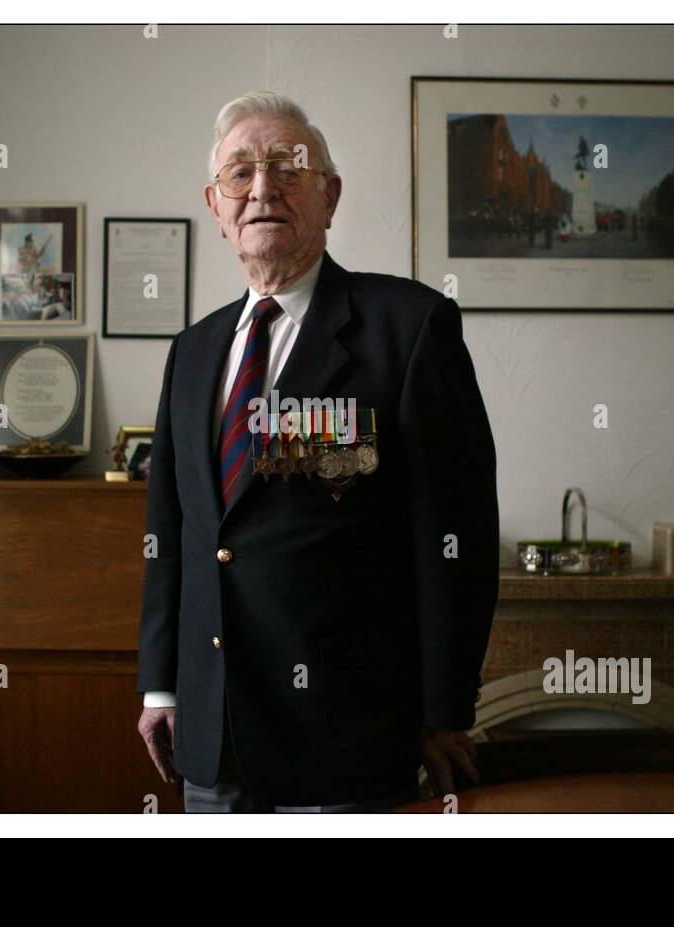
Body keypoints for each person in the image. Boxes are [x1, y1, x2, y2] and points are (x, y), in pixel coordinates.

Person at [136, 91, 499, 812]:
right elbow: (172, 533)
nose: (262, 187)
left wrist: (445, 705)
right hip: (211, 734)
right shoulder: (192, 352)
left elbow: (455, 537)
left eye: (288, 167)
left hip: (346, 735)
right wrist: (161, 683)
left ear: (329, 197)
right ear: (216, 205)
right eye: (240, 172)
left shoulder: (410, 328)